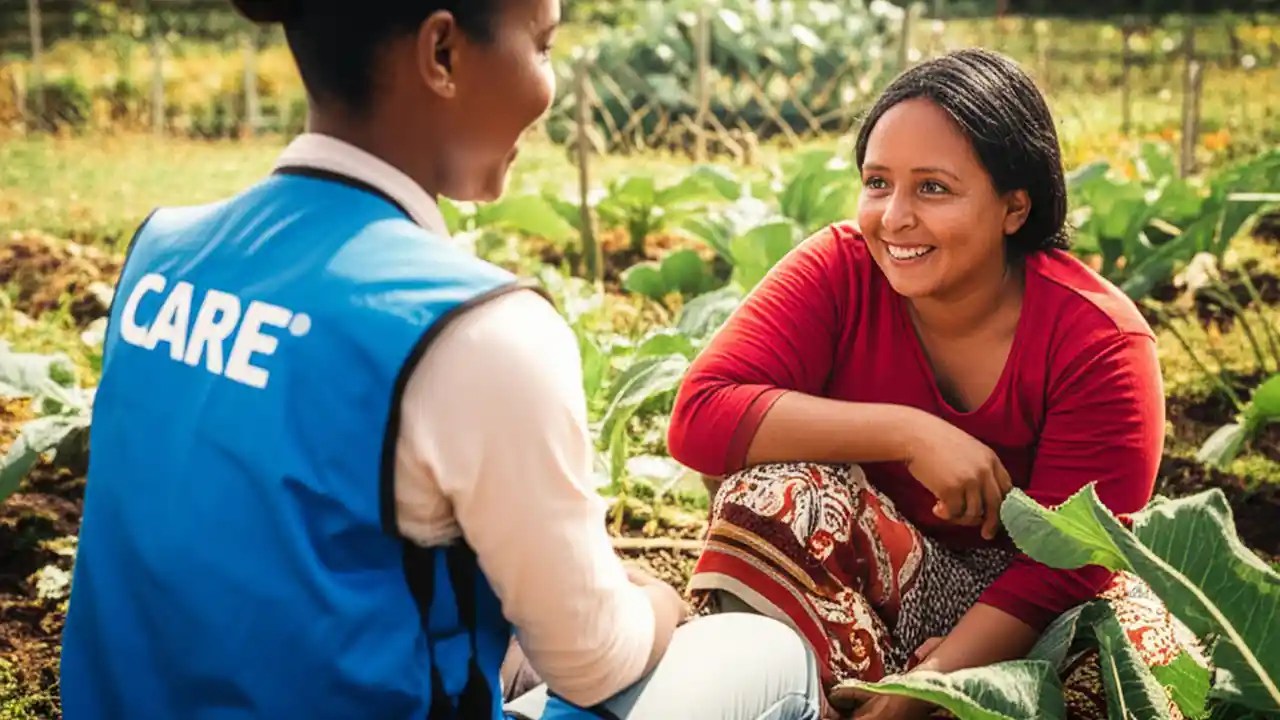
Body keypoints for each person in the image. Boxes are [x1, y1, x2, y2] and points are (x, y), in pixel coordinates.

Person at [58, 2, 822, 718]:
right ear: (444, 53)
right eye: (543, 46)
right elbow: (596, 662)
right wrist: (656, 602)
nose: (548, 87)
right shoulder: (472, 325)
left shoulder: (162, 251)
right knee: (769, 654)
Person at [667, 49, 1202, 720]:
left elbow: (1070, 567)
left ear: (1014, 206)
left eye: (933, 188)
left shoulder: (1099, 345)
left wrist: (925, 692)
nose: (893, 217)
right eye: (878, 182)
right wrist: (909, 432)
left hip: (1028, 624)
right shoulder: (839, 270)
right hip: (877, 583)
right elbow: (703, 413)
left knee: (1135, 642)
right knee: (771, 499)